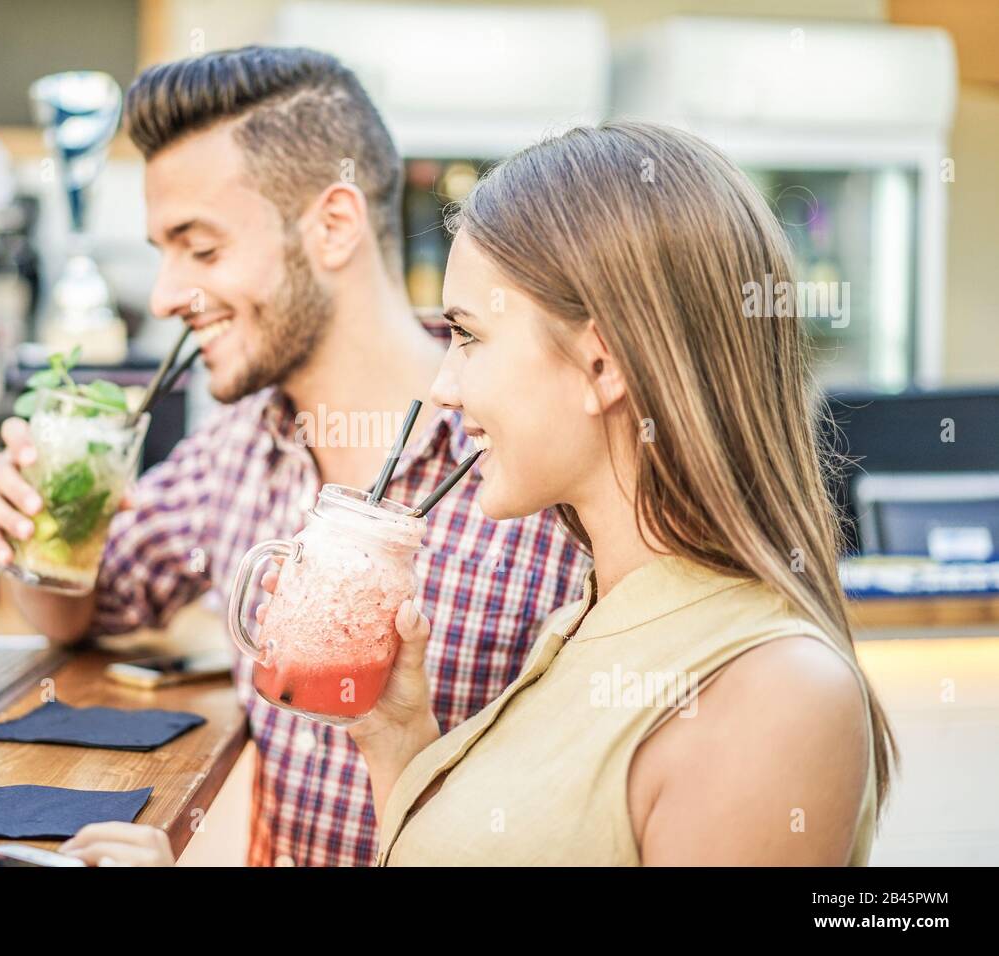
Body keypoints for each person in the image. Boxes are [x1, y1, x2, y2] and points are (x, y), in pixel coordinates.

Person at [62, 121, 896, 867]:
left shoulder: (774, 696)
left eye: (467, 336)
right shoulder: (595, 614)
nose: (445, 386)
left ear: (602, 364)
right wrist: (397, 741)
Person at [0, 46, 589, 867]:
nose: (164, 296)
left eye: (200, 248)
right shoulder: (241, 444)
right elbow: (92, 602)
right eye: (162, 251)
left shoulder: (531, 445)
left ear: (331, 225)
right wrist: (35, 529)